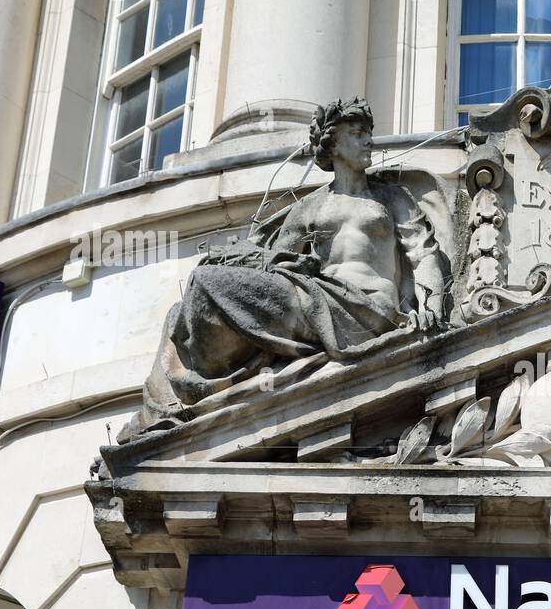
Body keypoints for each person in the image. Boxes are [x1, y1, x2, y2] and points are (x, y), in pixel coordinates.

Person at [124, 97, 447, 435]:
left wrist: (431, 308)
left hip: (369, 310)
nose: (369, 141)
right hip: (318, 300)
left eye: (368, 132)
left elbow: (423, 254)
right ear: (332, 144)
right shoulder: (309, 208)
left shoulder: (391, 198)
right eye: (357, 133)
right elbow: (273, 267)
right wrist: (240, 257)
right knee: (191, 300)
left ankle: (197, 384)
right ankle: (174, 401)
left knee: (205, 282)